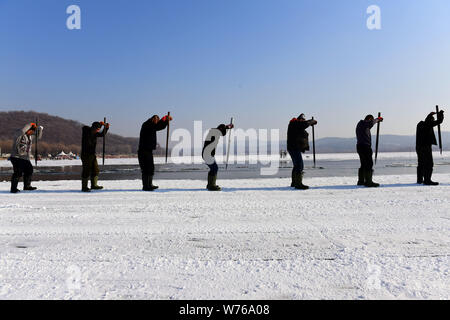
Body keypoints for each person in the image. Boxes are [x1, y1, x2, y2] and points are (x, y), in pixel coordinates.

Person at [138, 114, 172, 191]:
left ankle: (150, 184)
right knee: (146, 169)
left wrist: (165, 121)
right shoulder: (147, 124)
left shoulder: (152, 126)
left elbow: (159, 127)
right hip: (143, 151)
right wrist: (164, 120)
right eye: (156, 119)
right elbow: (156, 126)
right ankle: (146, 186)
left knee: (151, 168)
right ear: (152, 119)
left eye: (158, 120)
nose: (156, 121)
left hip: (149, 150)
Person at [9, 123, 44, 193]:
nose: (32, 132)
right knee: (18, 173)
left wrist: (40, 129)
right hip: (17, 157)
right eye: (31, 130)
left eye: (33, 131)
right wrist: (31, 124)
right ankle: (13, 188)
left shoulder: (30, 136)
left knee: (29, 170)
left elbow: (38, 137)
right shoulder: (19, 134)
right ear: (27, 129)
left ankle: (27, 186)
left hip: (25, 158)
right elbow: (22, 130)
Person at [287, 114, 317, 190]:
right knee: (300, 166)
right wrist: (312, 121)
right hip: (294, 148)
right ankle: (298, 184)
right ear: (299, 119)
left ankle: (294, 183)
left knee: (297, 165)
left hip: (293, 148)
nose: (303, 121)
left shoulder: (296, 125)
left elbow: (301, 135)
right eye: (302, 120)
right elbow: (304, 124)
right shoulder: (294, 123)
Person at [202, 123, 234, 191]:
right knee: (214, 168)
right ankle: (211, 186)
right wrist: (228, 127)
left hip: (208, 154)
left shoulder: (214, 132)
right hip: (207, 154)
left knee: (213, 168)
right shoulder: (214, 132)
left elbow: (222, 132)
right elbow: (221, 132)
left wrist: (228, 127)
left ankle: (210, 184)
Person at [416, 110, 444, 185]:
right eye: (432, 120)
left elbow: (430, 121)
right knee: (429, 163)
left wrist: (430, 115)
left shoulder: (420, 125)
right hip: (425, 147)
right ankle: (427, 180)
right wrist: (441, 115)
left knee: (421, 163)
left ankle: (419, 180)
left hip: (419, 147)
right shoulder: (427, 125)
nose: (433, 122)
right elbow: (439, 121)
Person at [81, 121, 109, 192]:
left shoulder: (95, 133)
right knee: (86, 170)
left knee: (95, 169)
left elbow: (102, 134)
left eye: (99, 129)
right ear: (93, 127)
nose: (98, 131)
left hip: (92, 154)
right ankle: (84, 187)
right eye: (97, 129)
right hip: (86, 155)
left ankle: (94, 185)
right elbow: (90, 131)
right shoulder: (86, 131)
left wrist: (106, 127)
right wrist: (102, 125)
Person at [356, 115, 383, 187]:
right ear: (369, 119)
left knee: (363, 164)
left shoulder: (361, 125)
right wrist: (377, 119)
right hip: (365, 147)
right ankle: (368, 182)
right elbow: (370, 123)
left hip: (360, 146)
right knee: (369, 164)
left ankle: (361, 181)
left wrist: (376, 121)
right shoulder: (364, 123)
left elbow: (370, 125)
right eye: (371, 120)